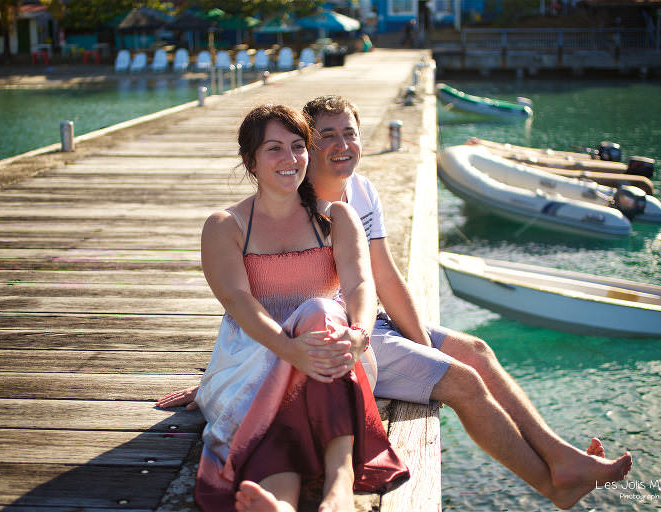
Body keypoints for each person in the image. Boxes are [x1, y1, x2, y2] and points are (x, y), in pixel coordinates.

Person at [158, 97, 632, 509]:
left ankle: (560, 461)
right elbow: (242, 303)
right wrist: (226, 375)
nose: (338, 146)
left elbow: (376, 277)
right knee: (457, 378)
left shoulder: (353, 198)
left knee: (474, 352)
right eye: (325, 137)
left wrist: (396, 340)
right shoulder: (249, 217)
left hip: (348, 330)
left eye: (349, 134)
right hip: (297, 339)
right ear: (259, 158)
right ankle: (556, 480)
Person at [186, 104, 408, 511]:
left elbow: (360, 283)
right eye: (274, 149)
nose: (290, 159)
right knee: (306, 347)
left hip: (337, 352)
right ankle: (288, 501)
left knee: (321, 313)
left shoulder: (338, 217)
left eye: (297, 146)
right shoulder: (225, 226)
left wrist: (358, 335)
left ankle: (331, 492)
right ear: (250, 160)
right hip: (252, 355)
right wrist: (288, 350)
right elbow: (237, 300)